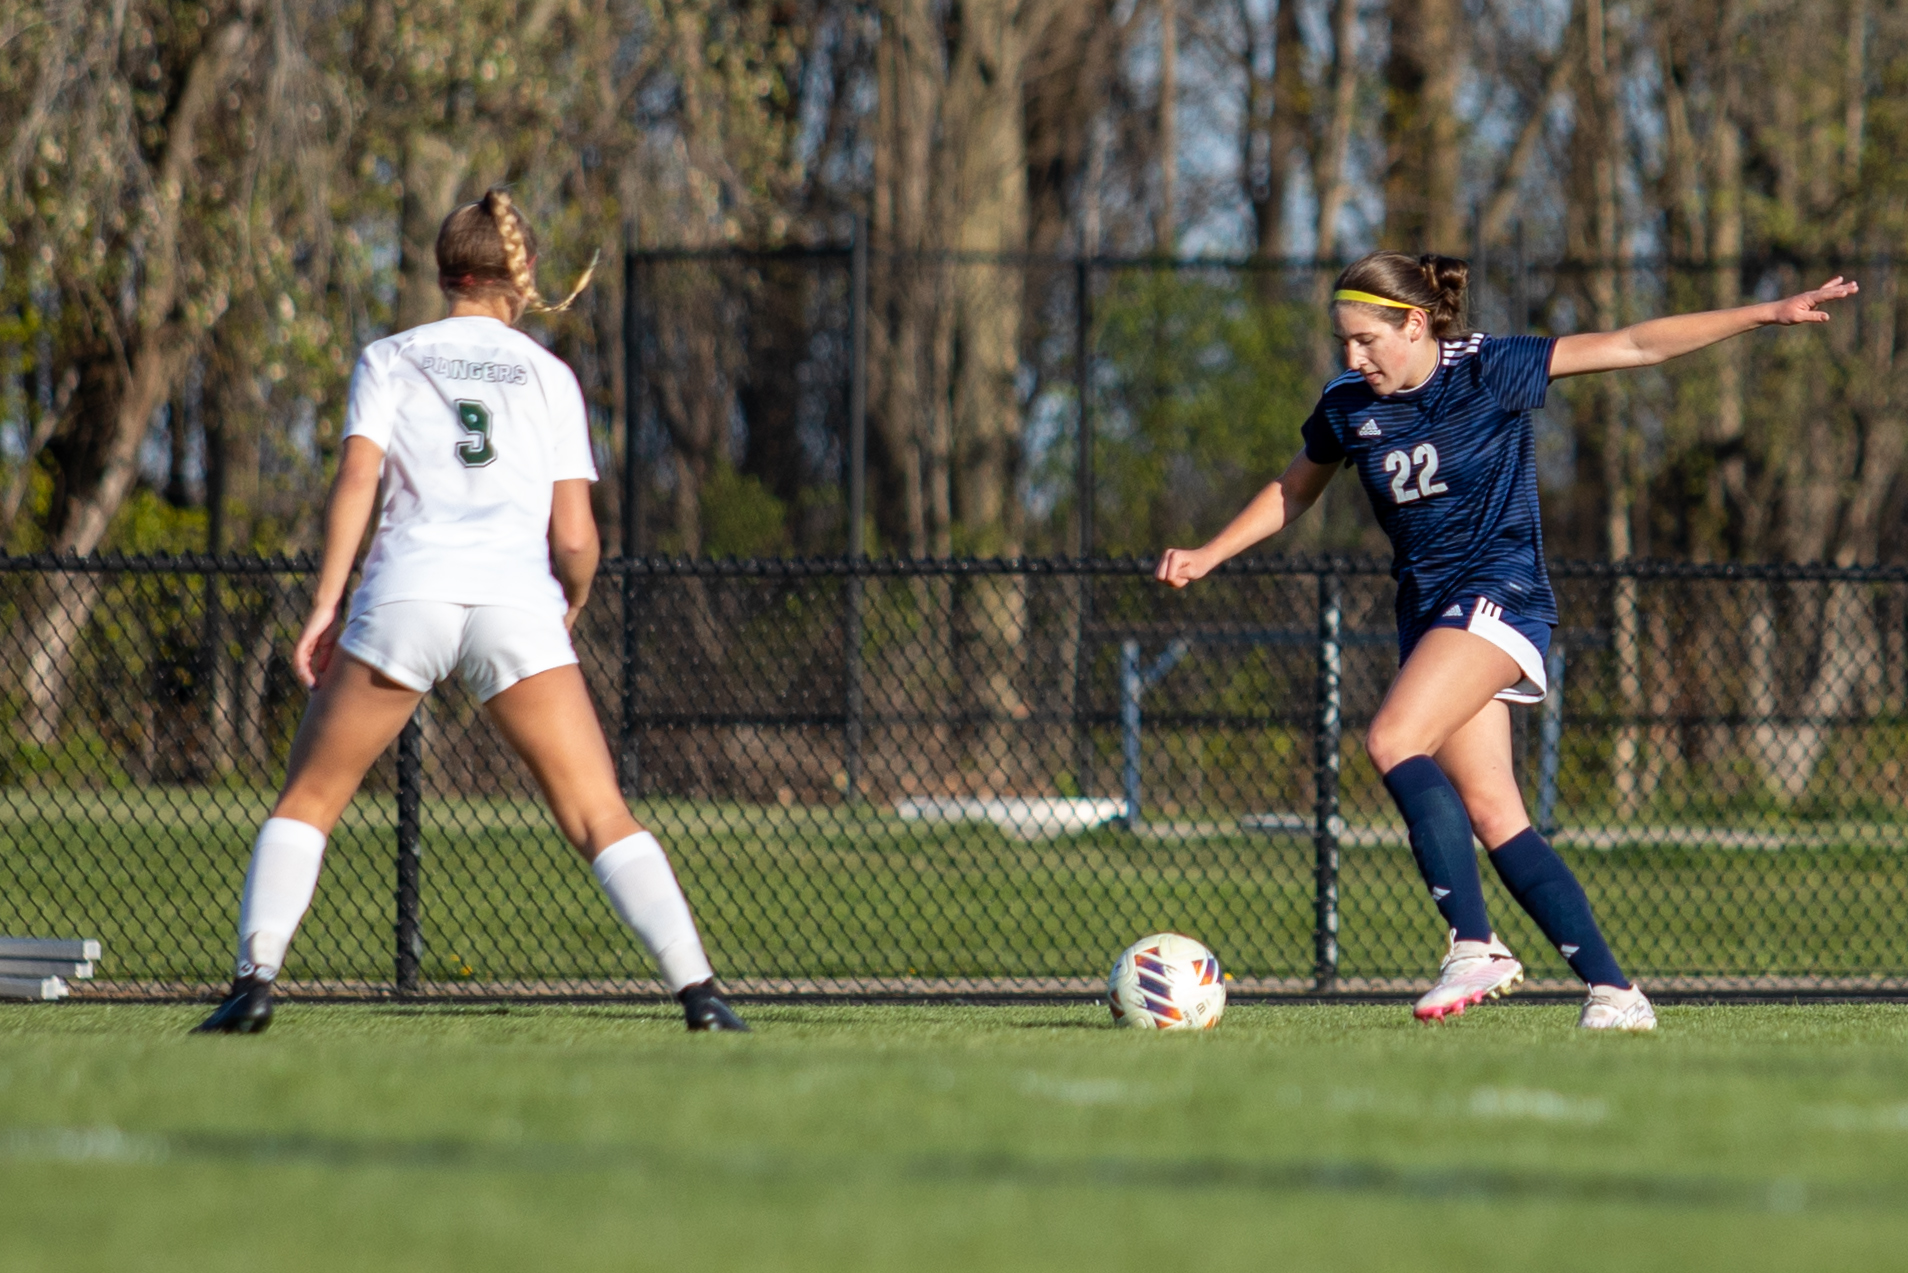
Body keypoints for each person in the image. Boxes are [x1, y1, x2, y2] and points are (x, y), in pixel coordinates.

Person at [1157, 250, 1857, 1030]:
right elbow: (1294, 488)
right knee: (1496, 814)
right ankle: (1616, 993)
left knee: (1392, 739)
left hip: (1500, 594)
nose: (1352, 357)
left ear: (1414, 324)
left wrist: (1765, 312)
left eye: (1366, 340)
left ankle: (1473, 942)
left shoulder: (1488, 367)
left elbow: (1634, 344)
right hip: (1431, 616)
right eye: (1343, 341)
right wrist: (1209, 552)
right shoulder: (1346, 403)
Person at [196, 188, 747, 1034]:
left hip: (405, 593)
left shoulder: (390, 357)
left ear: (444, 271)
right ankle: (701, 992)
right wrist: (574, 595)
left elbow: (357, 482)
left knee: (308, 801)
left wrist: (325, 603)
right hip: (515, 602)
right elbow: (575, 535)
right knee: (600, 814)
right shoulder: (552, 377)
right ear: (519, 279)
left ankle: (254, 982)